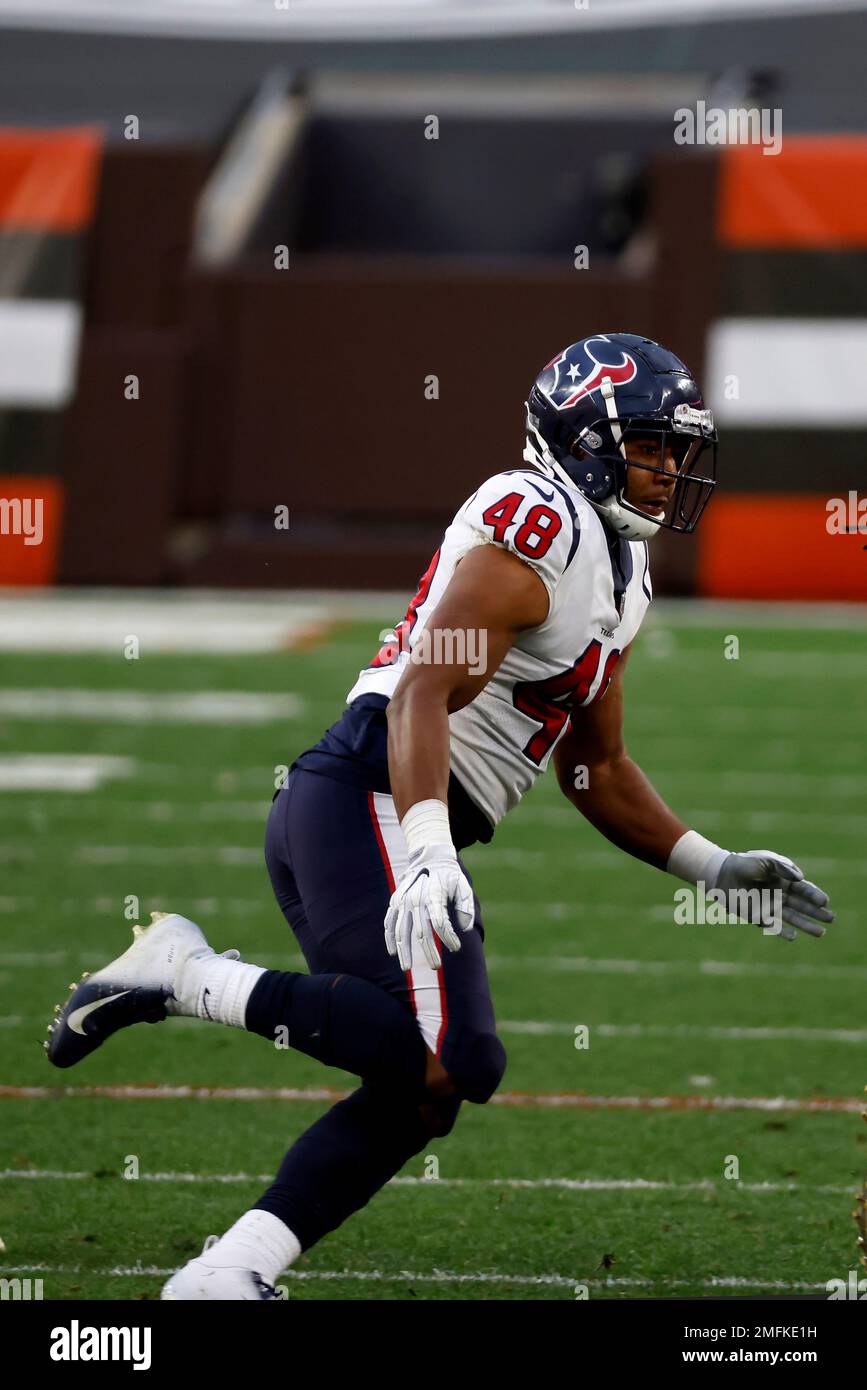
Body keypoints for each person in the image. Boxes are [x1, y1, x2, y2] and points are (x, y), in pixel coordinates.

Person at [45, 333, 834, 1300]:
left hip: (385, 819)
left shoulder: (620, 576)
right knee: (455, 1053)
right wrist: (424, 846)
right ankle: (182, 974)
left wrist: (711, 867)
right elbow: (421, 690)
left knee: (429, 1083)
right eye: (652, 448)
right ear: (583, 442)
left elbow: (596, 765)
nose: (670, 471)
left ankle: (227, 1274)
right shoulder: (537, 524)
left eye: (678, 451)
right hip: (362, 801)